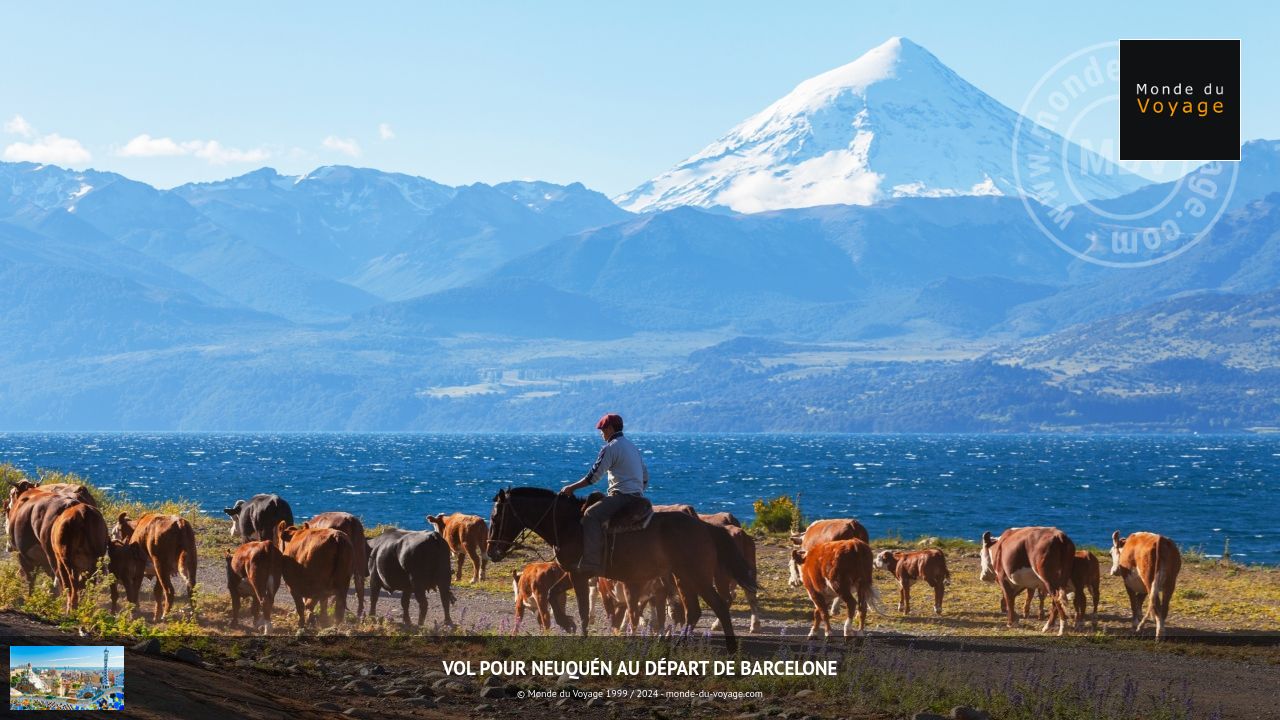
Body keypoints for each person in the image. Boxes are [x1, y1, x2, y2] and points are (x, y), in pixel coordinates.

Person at [559, 413, 650, 575]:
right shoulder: (632, 447)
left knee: (590, 516)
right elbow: (645, 478)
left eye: (602, 429)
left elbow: (593, 477)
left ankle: (591, 563)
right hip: (638, 497)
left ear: (610, 428)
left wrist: (571, 488)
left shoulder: (610, 448)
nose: (601, 433)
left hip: (622, 497)